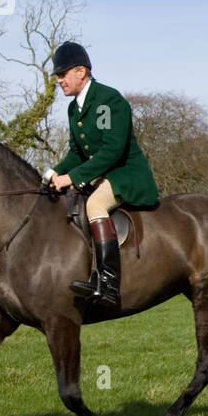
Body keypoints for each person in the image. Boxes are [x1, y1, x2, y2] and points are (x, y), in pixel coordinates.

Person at [41, 42, 158, 308]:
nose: (59, 80)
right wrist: (55, 172)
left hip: (125, 173)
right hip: (100, 174)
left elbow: (112, 150)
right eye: (58, 75)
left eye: (63, 74)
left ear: (81, 71)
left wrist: (72, 178)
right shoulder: (74, 109)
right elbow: (76, 154)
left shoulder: (107, 101)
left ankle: (108, 284)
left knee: (94, 204)